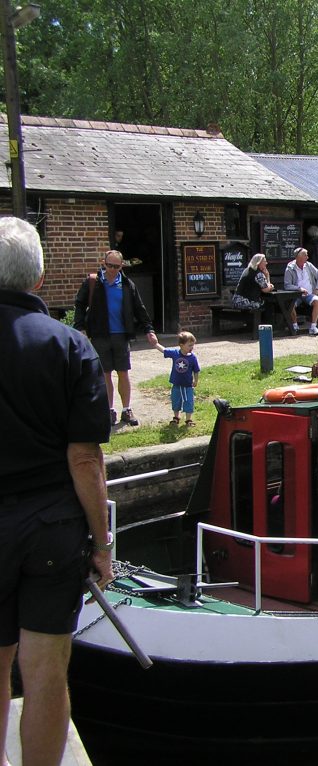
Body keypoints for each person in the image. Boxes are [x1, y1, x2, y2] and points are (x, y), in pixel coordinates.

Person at [0, 216, 114, 766]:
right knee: (45, 672)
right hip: (51, 526)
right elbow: (85, 459)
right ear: (40, 278)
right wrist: (102, 543)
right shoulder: (70, 346)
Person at [73, 248, 158, 427]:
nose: (112, 269)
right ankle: (109, 410)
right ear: (103, 264)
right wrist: (80, 327)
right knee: (105, 374)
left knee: (123, 372)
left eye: (116, 266)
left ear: (121, 267)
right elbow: (80, 305)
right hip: (100, 335)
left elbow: (139, 308)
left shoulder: (127, 284)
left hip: (121, 335)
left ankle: (126, 409)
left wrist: (149, 330)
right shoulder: (93, 282)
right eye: (109, 265)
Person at [150, 331, 201, 426]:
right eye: (189, 345)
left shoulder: (193, 358)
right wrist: (156, 344)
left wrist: (196, 380)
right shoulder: (175, 353)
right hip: (176, 384)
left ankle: (188, 419)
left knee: (189, 402)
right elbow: (164, 350)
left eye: (193, 345)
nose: (192, 347)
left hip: (187, 385)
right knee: (176, 401)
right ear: (181, 345)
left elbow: (196, 370)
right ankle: (176, 417)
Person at [284, 246, 318, 335]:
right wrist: (299, 289)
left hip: (309, 294)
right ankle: (295, 325)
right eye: (305, 255)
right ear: (299, 257)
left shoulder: (309, 265)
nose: (307, 257)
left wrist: (317, 288)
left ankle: (313, 327)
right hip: (296, 295)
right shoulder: (290, 268)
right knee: (290, 303)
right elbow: (287, 285)